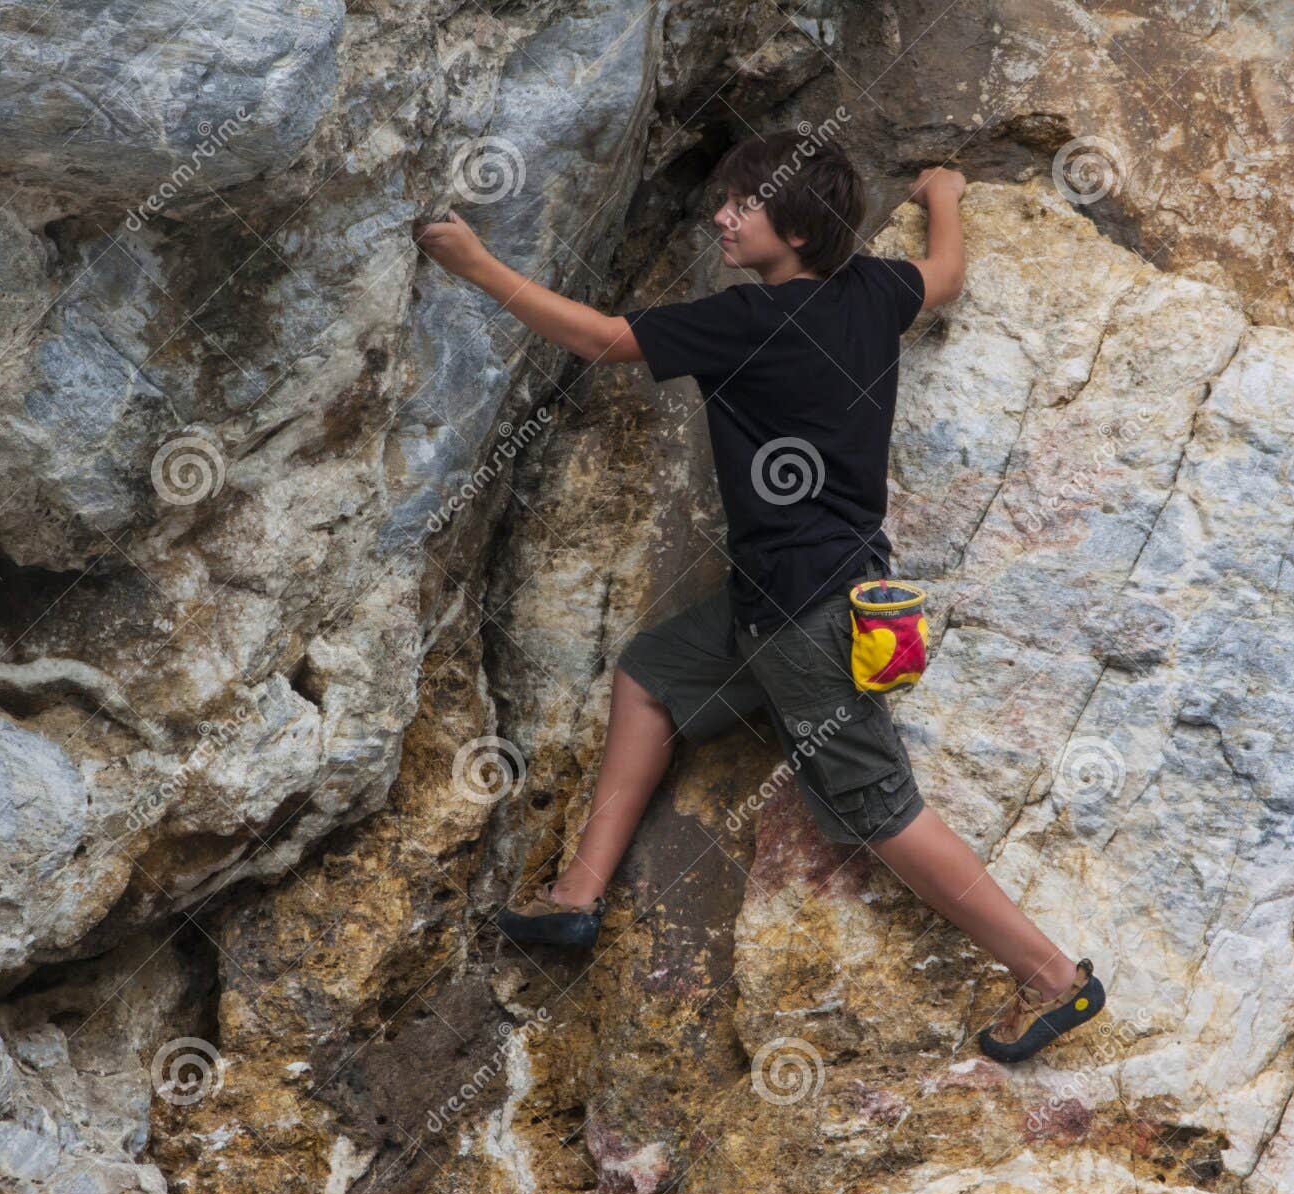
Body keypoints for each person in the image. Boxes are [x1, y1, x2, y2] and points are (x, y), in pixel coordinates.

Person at [413, 130, 1105, 1062]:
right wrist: (945, 192)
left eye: (743, 204)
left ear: (797, 226)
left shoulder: (749, 320)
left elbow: (603, 337)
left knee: (878, 807)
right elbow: (943, 275)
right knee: (653, 672)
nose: (722, 217)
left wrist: (476, 263)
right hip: (810, 592)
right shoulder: (871, 295)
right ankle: (576, 899)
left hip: (802, 611)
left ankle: (1055, 979)